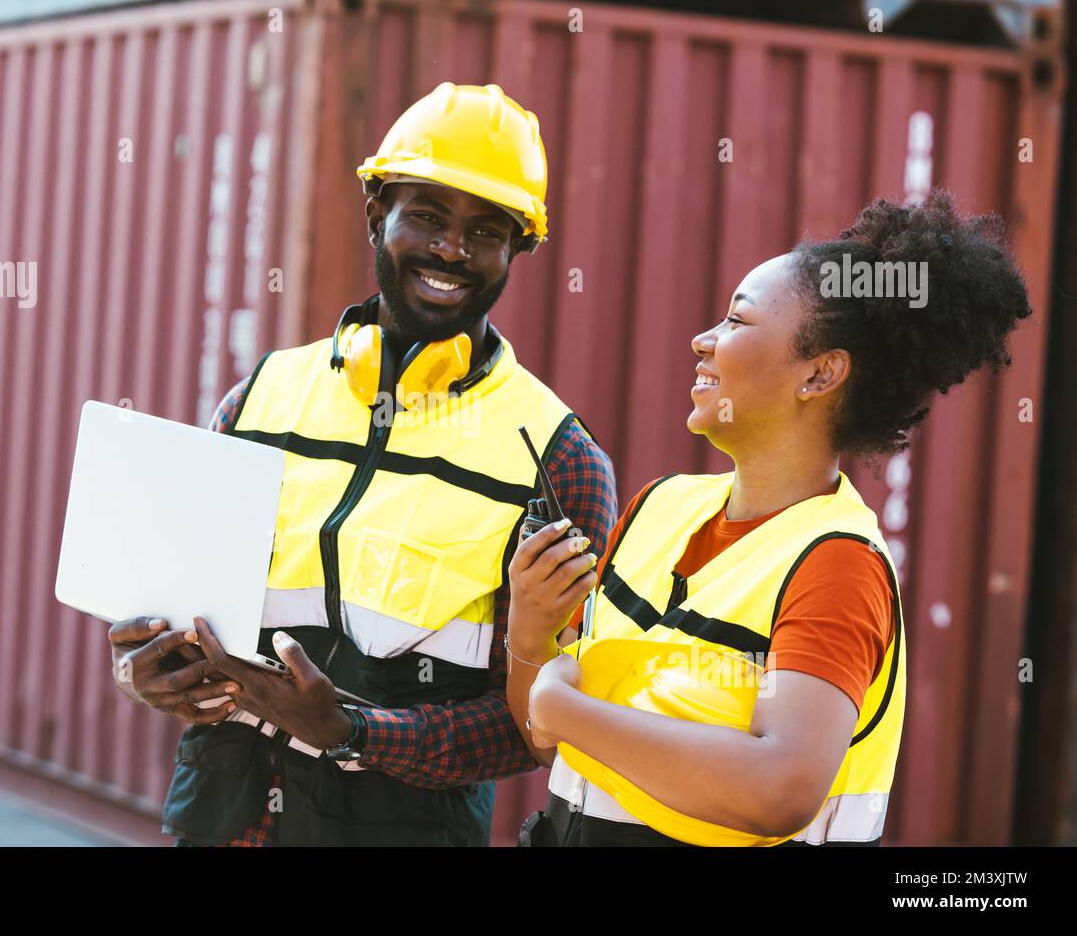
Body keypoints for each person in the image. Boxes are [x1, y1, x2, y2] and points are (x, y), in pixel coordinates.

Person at [107, 82, 617, 846]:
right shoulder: (259, 399)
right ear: (377, 216)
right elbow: (186, 618)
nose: (451, 249)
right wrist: (148, 669)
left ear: (519, 248)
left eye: (485, 231)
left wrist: (353, 732)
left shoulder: (556, 460)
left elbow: (541, 720)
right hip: (223, 821)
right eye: (429, 217)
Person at [505, 189, 1031, 846]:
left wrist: (564, 708)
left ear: (819, 375)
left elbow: (780, 788)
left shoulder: (837, 565)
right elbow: (553, 744)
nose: (703, 340)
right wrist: (529, 638)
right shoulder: (655, 509)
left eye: (736, 321)